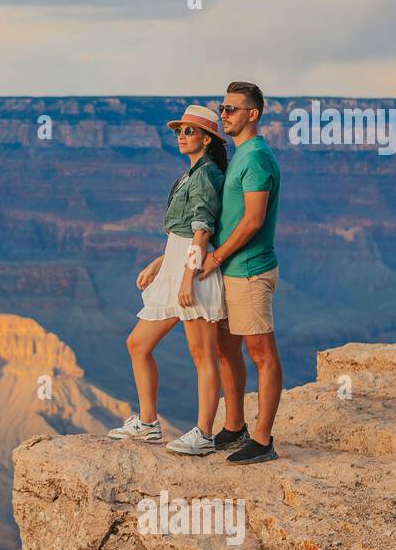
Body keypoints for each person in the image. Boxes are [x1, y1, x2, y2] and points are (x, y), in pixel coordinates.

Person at [109, 104, 228, 455]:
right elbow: (181, 233)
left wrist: (187, 277)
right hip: (177, 263)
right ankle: (148, 423)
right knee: (138, 344)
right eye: (178, 131)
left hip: (194, 270)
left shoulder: (206, 175)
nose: (181, 136)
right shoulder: (190, 174)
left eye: (188, 131)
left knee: (202, 354)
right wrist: (161, 263)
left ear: (206, 139)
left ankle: (204, 434)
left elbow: (202, 231)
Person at [198, 81, 283, 464]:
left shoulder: (257, 158)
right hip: (231, 271)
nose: (224, 115)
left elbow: (252, 221)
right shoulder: (240, 155)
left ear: (253, 114)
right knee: (225, 348)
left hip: (249, 271)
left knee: (261, 353)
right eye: (222, 108)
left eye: (231, 109)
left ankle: (263, 440)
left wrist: (216, 258)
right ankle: (234, 426)